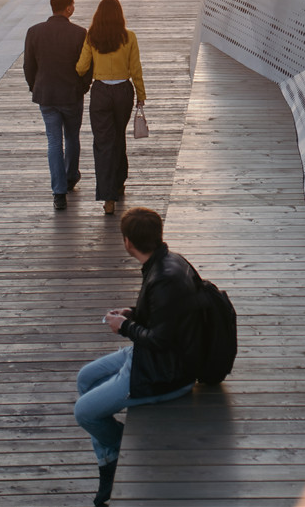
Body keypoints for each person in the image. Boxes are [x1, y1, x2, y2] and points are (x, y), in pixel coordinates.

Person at [75, 207, 200, 506]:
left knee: (84, 412)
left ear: (127, 242)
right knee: (85, 378)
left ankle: (120, 451)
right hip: (150, 356)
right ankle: (110, 460)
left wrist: (125, 327)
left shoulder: (163, 278)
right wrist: (134, 312)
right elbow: (164, 316)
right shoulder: (168, 263)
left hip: (162, 371)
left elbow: (160, 340)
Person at [75, 0, 145, 215]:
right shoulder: (129, 37)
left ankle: (108, 197)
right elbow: (136, 69)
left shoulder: (92, 36)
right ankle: (119, 181)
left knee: (103, 142)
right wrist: (141, 95)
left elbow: (81, 67)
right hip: (123, 91)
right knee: (118, 136)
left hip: (101, 92)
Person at [24, 0, 91, 209]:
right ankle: (71, 176)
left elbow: (29, 66)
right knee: (72, 137)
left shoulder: (34, 32)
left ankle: (58, 191)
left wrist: (35, 86)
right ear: (69, 7)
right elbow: (87, 65)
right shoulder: (80, 33)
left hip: (46, 94)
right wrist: (83, 86)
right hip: (71, 94)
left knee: (54, 141)